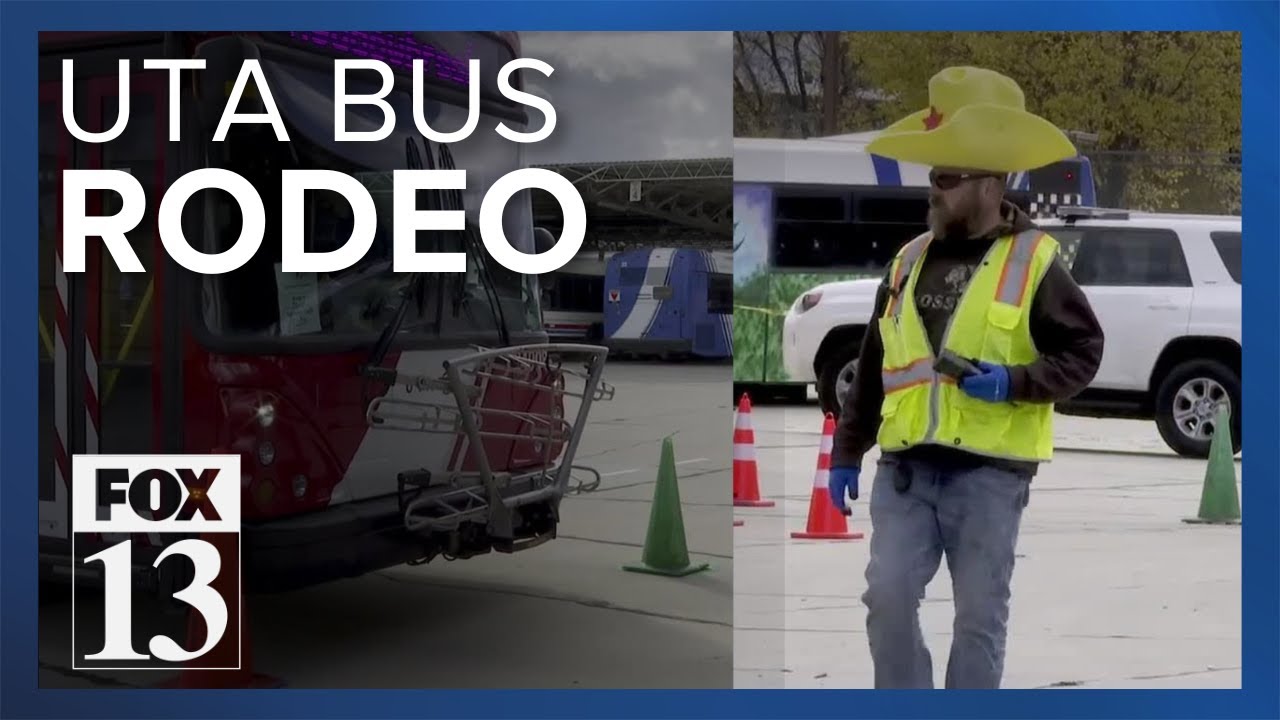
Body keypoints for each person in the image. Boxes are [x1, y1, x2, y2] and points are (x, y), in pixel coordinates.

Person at [826, 66, 1106, 689]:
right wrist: (848, 449)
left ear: (987, 186)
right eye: (932, 179)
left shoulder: (1034, 260)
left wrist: (1013, 381)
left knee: (979, 619)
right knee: (887, 602)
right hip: (905, 474)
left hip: (989, 477)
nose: (933, 191)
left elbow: (1084, 351)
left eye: (946, 181)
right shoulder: (908, 259)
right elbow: (875, 364)